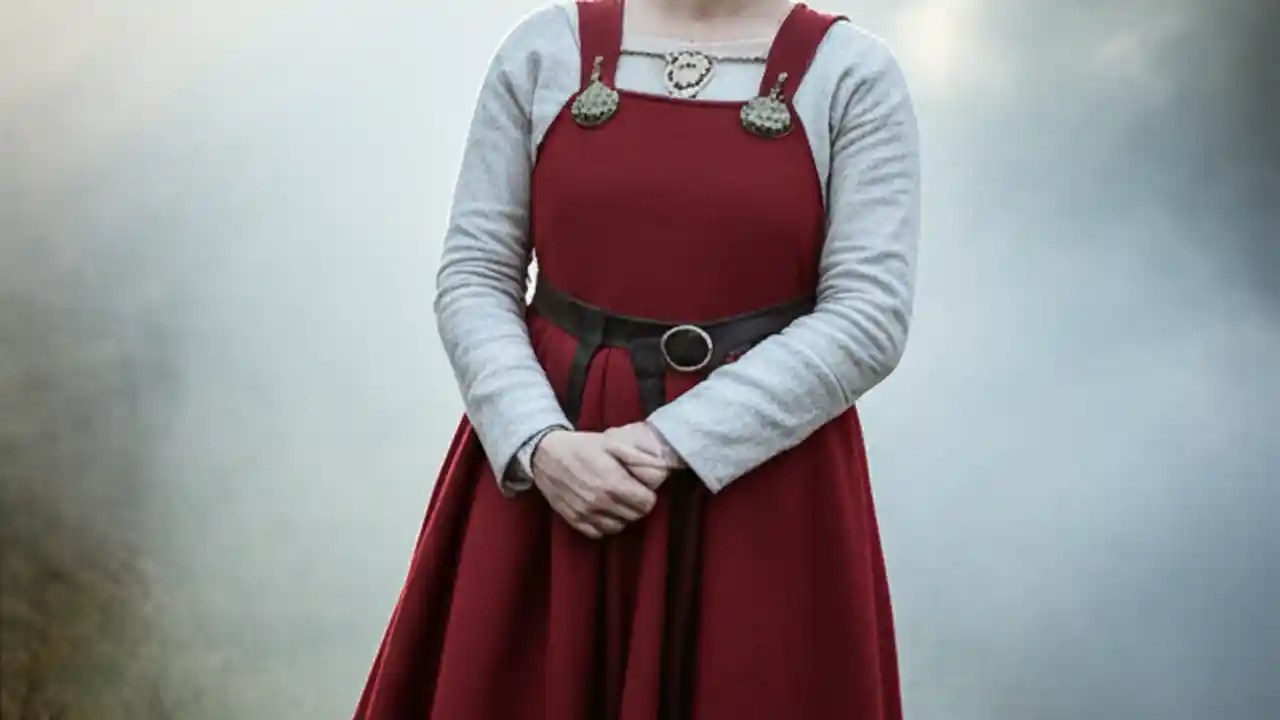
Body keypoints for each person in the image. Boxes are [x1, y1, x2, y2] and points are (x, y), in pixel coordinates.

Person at [354, 0, 920, 717]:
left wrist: (666, 444)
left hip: (761, 494)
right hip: (551, 477)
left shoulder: (851, 74)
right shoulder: (546, 50)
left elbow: (869, 317)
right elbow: (475, 272)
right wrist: (538, 442)